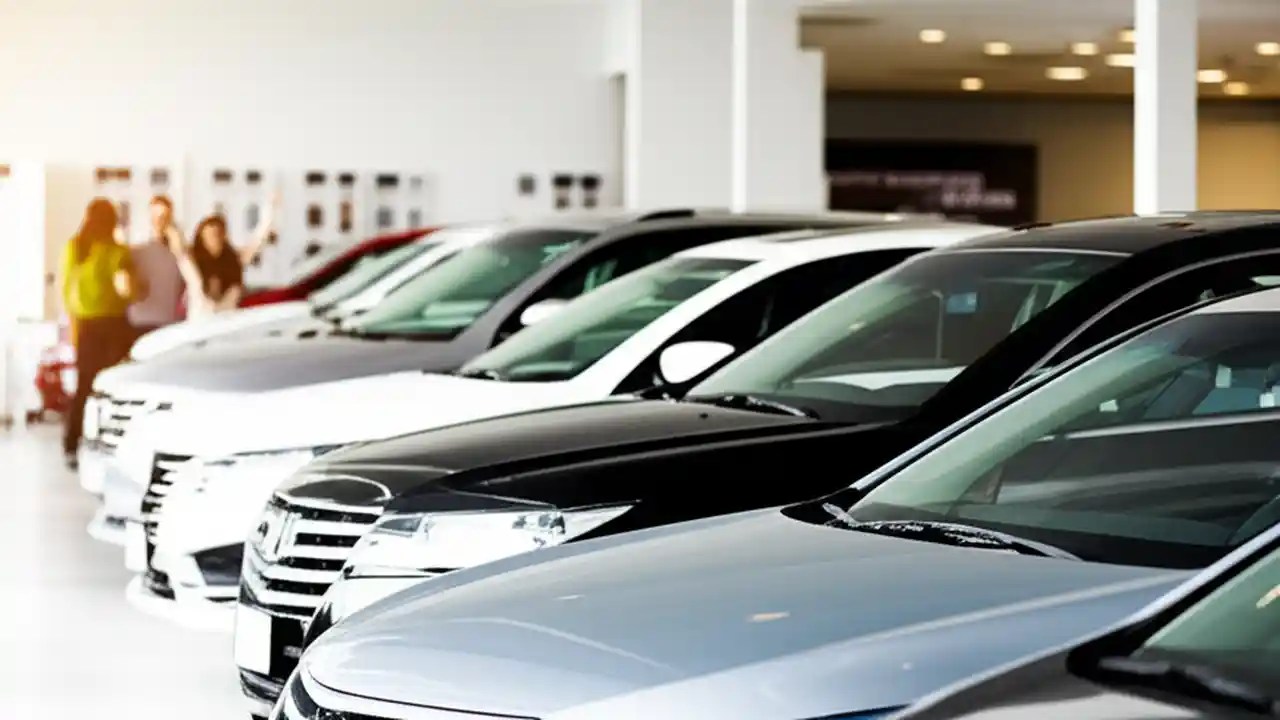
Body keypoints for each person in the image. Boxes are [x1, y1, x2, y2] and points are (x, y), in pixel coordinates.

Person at [60, 198, 138, 467]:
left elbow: (66, 292)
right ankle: (109, 444)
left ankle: (72, 444)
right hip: (114, 325)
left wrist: (73, 330)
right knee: (113, 387)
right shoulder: (118, 251)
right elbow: (126, 290)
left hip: (84, 326)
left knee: (84, 386)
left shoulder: (75, 248)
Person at [167, 194, 277, 318]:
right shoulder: (193, 266)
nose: (214, 239)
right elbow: (179, 248)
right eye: (209, 236)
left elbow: (258, 240)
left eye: (218, 234)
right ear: (202, 239)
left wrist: (270, 209)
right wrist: (170, 221)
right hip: (199, 329)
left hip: (226, 329)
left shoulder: (235, 262)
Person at [125, 195, 185, 344]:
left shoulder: (180, 253)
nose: (160, 222)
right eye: (155, 216)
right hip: (139, 323)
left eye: (164, 216)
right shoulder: (136, 252)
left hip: (169, 324)